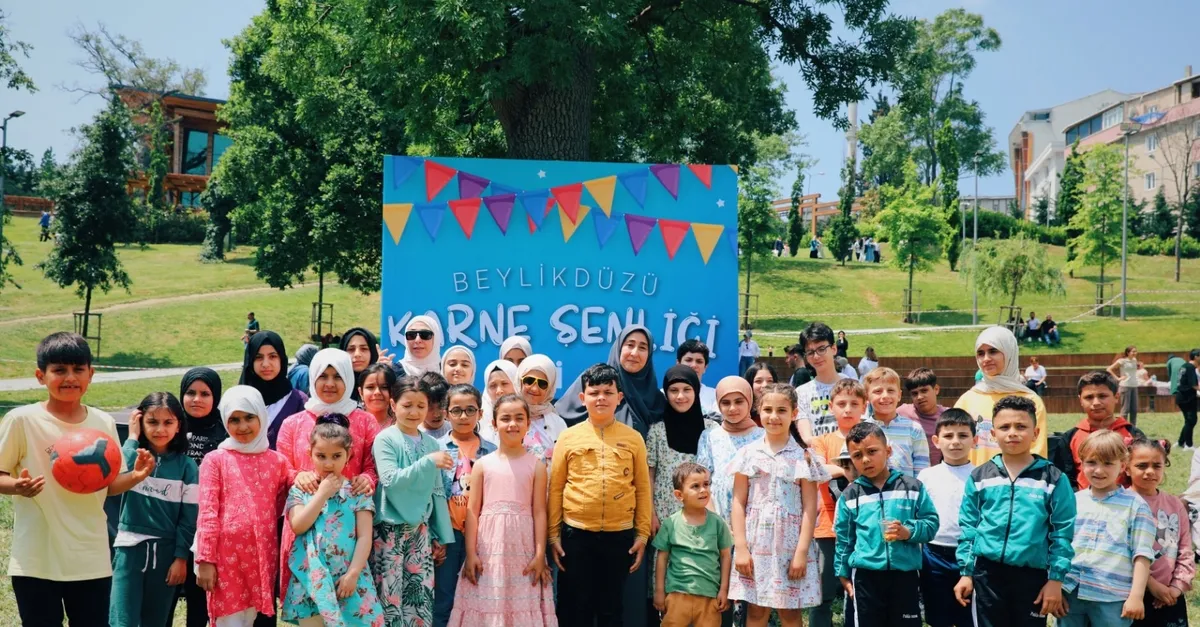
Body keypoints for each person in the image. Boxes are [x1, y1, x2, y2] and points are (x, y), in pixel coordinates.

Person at [0, 332, 156, 627]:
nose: (69, 378)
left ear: (91, 374)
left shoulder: (103, 421)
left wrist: (135, 476)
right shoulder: (23, 420)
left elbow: (108, 486)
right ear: (40, 376)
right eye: (59, 370)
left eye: (77, 369)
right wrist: (16, 486)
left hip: (91, 558)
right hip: (36, 559)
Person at [954, 396, 1076, 627]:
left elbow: (1062, 533)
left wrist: (1055, 580)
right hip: (987, 576)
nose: (1012, 433)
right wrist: (966, 573)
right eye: (1004, 427)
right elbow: (969, 528)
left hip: (1032, 577)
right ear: (993, 434)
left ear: (1036, 432)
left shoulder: (1052, 479)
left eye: (1021, 426)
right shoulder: (980, 477)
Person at [549, 363, 653, 627]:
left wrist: (641, 534)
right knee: (574, 608)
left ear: (619, 398)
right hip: (576, 535)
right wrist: (553, 535)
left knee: (611, 609)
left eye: (608, 392)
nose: (601, 398)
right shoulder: (568, 438)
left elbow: (642, 488)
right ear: (583, 398)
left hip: (619, 536)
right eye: (594, 392)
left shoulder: (633, 439)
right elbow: (557, 487)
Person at [276, 349, 380, 594]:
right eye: (323, 376)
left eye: (337, 376)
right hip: (305, 521)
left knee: (346, 602)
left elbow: (373, 465)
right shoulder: (293, 423)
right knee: (308, 599)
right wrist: (296, 475)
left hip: (349, 527)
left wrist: (367, 479)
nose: (330, 383)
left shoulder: (365, 421)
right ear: (312, 378)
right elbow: (281, 467)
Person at [448, 394, 557, 626]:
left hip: (523, 550)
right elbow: (473, 511)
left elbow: (539, 512)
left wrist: (539, 555)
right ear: (494, 424)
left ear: (528, 423)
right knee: (488, 602)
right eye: (505, 418)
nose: (512, 424)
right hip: (487, 551)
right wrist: (471, 553)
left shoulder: (536, 466)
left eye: (519, 418)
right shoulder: (483, 465)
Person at [730, 383, 828, 627]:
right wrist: (741, 547)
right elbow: (738, 502)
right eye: (768, 410)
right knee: (755, 611)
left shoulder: (804, 457)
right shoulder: (747, 454)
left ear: (794, 414)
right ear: (759, 411)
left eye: (782, 410)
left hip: (791, 546)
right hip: (755, 545)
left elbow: (809, 507)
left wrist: (801, 553)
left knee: (790, 613)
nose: (774, 417)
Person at [194, 386, 293, 627]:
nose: (243, 426)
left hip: (261, 558)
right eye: (234, 419)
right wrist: (205, 559)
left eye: (249, 417)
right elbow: (207, 512)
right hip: (225, 560)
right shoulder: (215, 459)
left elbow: (288, 494)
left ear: (261, 415)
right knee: (229, 621)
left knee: (252, 618)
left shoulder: (277, 461)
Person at [280, 414, 384, 627]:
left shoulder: (357, 491)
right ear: (310, 454)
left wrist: (353, 574)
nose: (328, 463)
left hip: (348, 576)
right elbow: (298, 525)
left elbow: (365, 536)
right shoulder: (301, 489)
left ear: (349, 455)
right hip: (310, 578)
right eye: (321, 456)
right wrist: (321, 494)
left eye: (336, 456)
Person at [834, 422, 938, 627]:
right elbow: (845, 540)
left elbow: (931, 524)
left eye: (872, 451)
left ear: (888, 451)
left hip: (904, 576)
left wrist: (908, 531)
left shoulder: (912, 487)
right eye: (857, 456)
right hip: (865, 577)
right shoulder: (850, 495)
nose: (865, 460)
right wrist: (842, 573)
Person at [370, 375, 455, 626]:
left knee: (419, 599)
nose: (414, 412)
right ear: (393, 405)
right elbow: (390, 479)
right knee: (389, 598)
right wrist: (428, 462)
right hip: (389, 530)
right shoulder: (386, 438)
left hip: (420, 531)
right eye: (407, 405)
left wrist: (441, 534)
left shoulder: (431, 443)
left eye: (421, 406)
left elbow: (437, 491)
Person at [110, 393, 198, 627]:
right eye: (152, 422)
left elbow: (189, 518)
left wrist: (181, 557)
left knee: (156, 621)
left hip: (166, 554)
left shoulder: (187, 467)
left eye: (168, 422)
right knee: (121, 620)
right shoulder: (133, 455)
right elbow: (115, 481)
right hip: (129, 550)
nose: (160, 429)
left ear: (179, 425)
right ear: (141, 422)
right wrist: (131, 438)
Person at [1061, 430, 1155, 627]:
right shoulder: (1073, 501)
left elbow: (1142, 554)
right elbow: (1060, 546)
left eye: (1108, 463)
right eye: (1091, 462)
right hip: (1071, 593)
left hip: (1112, 598)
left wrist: (1136, 597)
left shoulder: (1135, 505)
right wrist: (1056, 586)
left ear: (1122, 466)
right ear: (1081, 463)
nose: (1098, 470)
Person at [647, 366, 717, 604]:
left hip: (703, 518)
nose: (680, 396)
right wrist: (651, 513)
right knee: (665, 587)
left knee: (699, 582)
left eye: (687, 389)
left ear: (696, 391)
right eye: (673, 390)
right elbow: (650, 473)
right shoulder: (657, 430)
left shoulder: (711, 431)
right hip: (666, 516)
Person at [433, 384, 497, 627]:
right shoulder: (434, 448)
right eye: (456, 410)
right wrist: (433, 534)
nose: (463, 417)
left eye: (470, 410)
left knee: (478, 599)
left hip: (482, 537)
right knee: (443, 600)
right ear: (446, 413)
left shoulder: (492, 451)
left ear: (480, 414)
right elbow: (429, 497)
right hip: (447, 535)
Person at [169, 367, 225, 627]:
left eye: (205, 393)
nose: (196, 399)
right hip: (169, 526)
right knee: (163, 600)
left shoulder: (225, 433)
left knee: (199, 604)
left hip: (206, 529)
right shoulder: (169, 429)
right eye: (190, 392)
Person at [808, 379, 866, 627]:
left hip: (865, 526)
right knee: (822, 592)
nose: (847, 409)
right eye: (841, 403)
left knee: (859, 589)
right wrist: (847, 470)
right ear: (831, 406)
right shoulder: (822, 441)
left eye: (854, 404)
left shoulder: (871, 437)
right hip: (827, 526)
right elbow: (818, 468)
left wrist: (841, 468)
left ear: (864, 406)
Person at [652, 462, 733, 627]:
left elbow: (726, 556)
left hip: (709, 596)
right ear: (679, 495)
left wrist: (724, 589)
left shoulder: (718, 523)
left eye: (706, 484)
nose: (703, 490)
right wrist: (659, 591)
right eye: (695, 486)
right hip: (677, 595)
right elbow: (662, 559)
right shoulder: (670, 524)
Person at [955, 326, 1049, 466]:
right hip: (974, 485)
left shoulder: (1031, 401)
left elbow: (1037, 453)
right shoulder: (967, 400)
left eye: (993, 351)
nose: (986, 359)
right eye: (980, 353)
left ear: (1009, 352)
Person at [916, 409, 977, 627]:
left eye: (963, 435)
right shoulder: (926, 476)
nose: (955, 442)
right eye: (948, 436)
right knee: (938, 616)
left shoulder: (980, 476)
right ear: (936, 441)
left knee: (968, 615)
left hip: (970, 554)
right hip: (934, 555)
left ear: (975, 440)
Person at [556, 324, 666, 440]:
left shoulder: (657, 402)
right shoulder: (594, 379)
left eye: (642, 348)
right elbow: (560, 420)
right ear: (619, 347)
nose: (634, 353)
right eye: (630, 345)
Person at [1127, 438, 1194, 627]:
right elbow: (1119, 552)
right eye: (1141, 466)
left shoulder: (1175, 505)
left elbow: (1185, 550)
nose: (1150, 471)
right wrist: (1151, 585)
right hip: (1131, 595)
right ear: (1126, 467)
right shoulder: (1120, 504)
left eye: (1156, 465)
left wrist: (1175, 588)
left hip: (1170, 598)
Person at [697, 377, 765, 524]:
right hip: (717, 520)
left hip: (756, 522)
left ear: (749, 400)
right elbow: (702, 482)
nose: (732, 408)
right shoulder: (710, 436)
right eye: (725, 403)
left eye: (739, 401)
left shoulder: (763, 436)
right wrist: (716, 523)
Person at [1061, 372, 1144, 490]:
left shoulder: (1134, 435)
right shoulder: (1070, 438)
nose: (1096, 403)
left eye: (1102, 396)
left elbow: (1140, 473)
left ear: (1116, 397)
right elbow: (1066, 478)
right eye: (1089, 397)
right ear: (1080, 400)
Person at [240, 331, 309, 449]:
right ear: (250, 361)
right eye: (258, 357)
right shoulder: (238, 399)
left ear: (281, 359)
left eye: (273, 356)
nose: (266, 364)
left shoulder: (298, 401)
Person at [864, 367, 929, 478]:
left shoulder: (914, 429)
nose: (885, 396)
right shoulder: (861, 430)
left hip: (907, 493)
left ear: (899, 395)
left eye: (890, 390)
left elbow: (922, 472)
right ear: (867, 396)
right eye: (878, 391)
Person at [794, 322, 848, 444]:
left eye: (821, 349)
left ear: (834, 349)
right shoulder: (801, 392)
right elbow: (807, 436)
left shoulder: (851, 386)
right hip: (818, 456)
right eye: (810, 352)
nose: (816, 356)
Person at [517, 354, 569, 467]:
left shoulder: (558, 424)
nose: (535, 388)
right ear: (519, 381)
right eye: (529, 381)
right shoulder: (507, 417)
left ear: (550, 388)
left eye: (542, 384)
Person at [897, 368, 947, 465]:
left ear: (936, 389)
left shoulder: (947, 416)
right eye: (914, 393)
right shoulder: (902, 413)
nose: (919, 397)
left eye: (924, 391)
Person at [341, 327, 391, 402]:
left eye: (364, 349)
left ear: (373, 352)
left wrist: (383, 375)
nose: (357, 354)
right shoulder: (335, 386)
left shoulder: (389, 383)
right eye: (351, 349)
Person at [479, 359, 518, 445]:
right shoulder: (480, 419)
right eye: (493, 386)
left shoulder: (532, 415)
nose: (499, 390)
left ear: (516, 384)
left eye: (504, 384)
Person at [677, 339, 720, 418]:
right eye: (688, 360)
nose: (693, 365)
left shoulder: (715, 395)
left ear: (705, 367)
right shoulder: (664, 395)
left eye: (699, 361)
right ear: (678, 363)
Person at [1109, 346, 1143, 426]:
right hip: (1125, 386)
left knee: (1134, 409)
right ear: (1128, 353)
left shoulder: (1134, 360)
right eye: (1133, 351)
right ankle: (1123, 427)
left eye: (1136, 351)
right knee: (1125, 409)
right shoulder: (1122, 361)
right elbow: (1109, 369)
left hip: (1134, 386)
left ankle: (1133, 428)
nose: (1135, 353)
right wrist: (1118, 378)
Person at [358, 362, 397, 429]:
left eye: (384, 387)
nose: (377, 392)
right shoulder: (351, 422)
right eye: (370, 387)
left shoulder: (402, 424)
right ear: (361, 392)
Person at [418, 371, 452, 439]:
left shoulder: (455, 430)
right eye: (429, 407)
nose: (437, 414)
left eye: (442, 405)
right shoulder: (413, 435)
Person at [1177, 349, 1200, 450]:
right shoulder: (1190, 368)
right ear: (1196, 357)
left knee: (1189, 420)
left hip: (1182, 397)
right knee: (1192, 420)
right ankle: (1188, 445)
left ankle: (1181, 442)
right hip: (1187, 398)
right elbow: (1194, 385)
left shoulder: (1185, 366)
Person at [743, 361, 778, 426]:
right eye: (758, 381)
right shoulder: (742, 412)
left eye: (770, 381)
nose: (765, 385)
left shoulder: (782, 410)